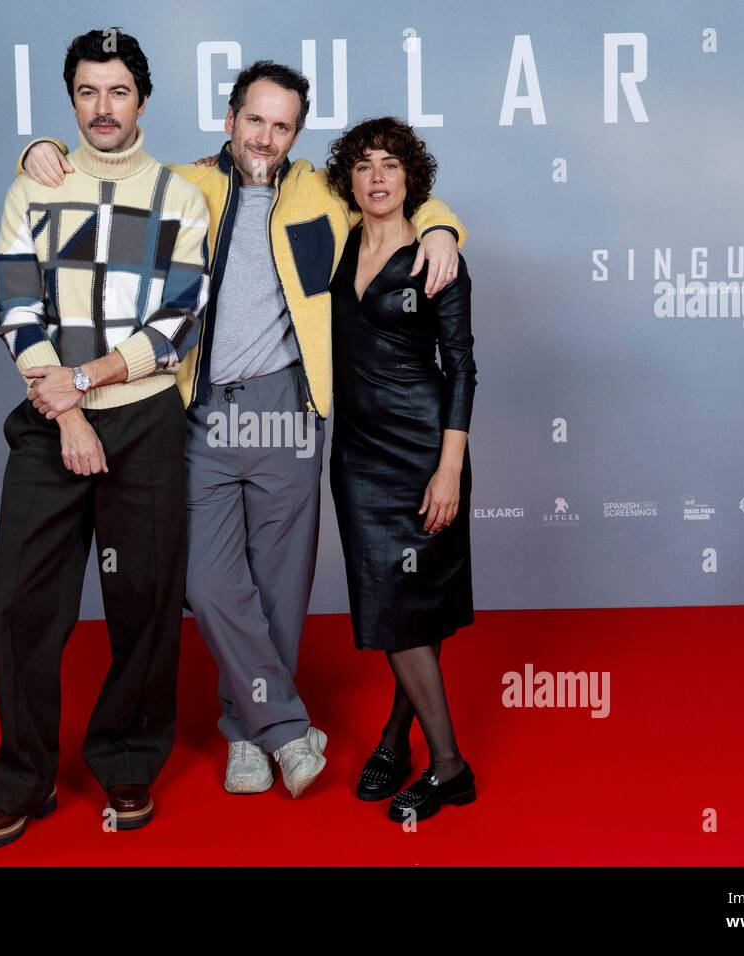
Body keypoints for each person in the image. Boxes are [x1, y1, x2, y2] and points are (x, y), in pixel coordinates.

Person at [19, 62, 467, 799]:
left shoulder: (323, 193)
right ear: (230, 120)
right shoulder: (185, 184)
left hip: (288, 408)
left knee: (279, 586)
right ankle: (288, 727)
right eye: (254, 120)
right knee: (209, 579)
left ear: (296, 134)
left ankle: (244, 735)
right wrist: (36, 150)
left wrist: (444, 225)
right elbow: (104, 173)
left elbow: (396, 198)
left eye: (282, 125)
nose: (266, 136)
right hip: (201, 411)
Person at [0, 29, 210, 848]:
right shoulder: (34, 186)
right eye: (86, 92)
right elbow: (15, 303)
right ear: (70, 99)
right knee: (18, 602)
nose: (101, 109)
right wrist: (65, 409)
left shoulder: (178, 195)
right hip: (50, 418)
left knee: (143, 601)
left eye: (117, 92)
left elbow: (178, 319)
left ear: (142, 99)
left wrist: (91, 379)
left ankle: (129, 760)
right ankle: (23, 779)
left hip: (142, 414)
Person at [324, 117, 477, 822]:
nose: (377, 177)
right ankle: (395, 734)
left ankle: (448, 767)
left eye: (390, 164)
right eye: (363, 166)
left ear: (410, 175)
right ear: (348, 179)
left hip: (423, 449)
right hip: (357, 456)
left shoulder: (435, 254)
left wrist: (449, 469)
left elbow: (462, 368)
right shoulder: (339, 237)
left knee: (409, 611)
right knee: (394, 605)